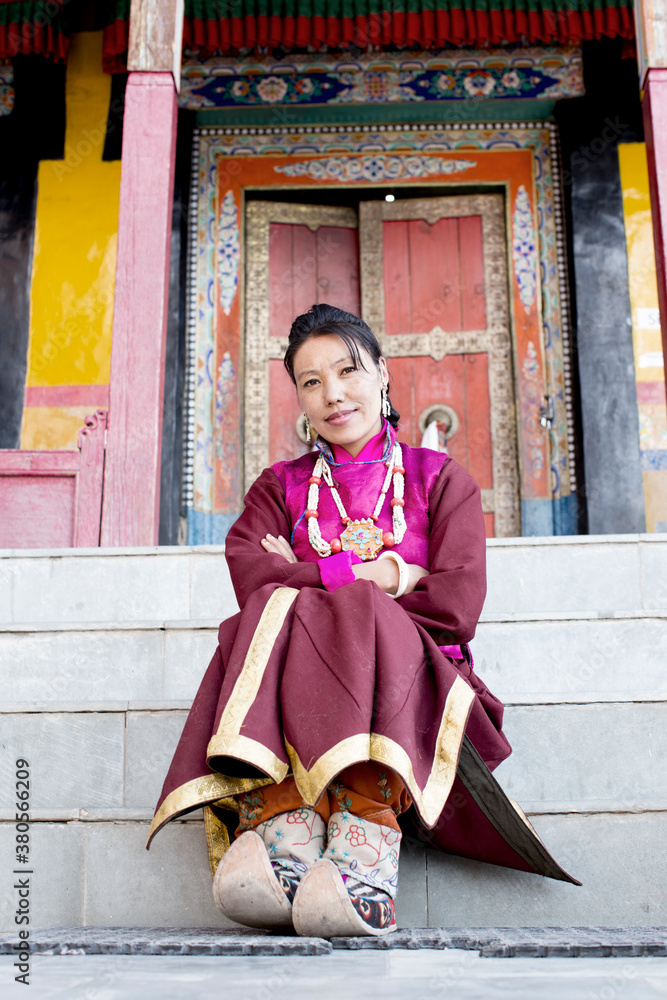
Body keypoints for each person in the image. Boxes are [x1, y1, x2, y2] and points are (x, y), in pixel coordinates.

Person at [147, 304, 578, 938]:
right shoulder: (279, 487)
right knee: (270, 614)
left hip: (413, 682)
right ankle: (286, 825)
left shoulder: (441, 480)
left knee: (341, 611)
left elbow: (455, 607)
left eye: (347, 371)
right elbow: (250, 576)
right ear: (297, 395)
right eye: (311, 381)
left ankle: (365, 832)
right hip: (304, 673)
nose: (333, 394)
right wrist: (379, 574)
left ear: (381, 373)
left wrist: (319, 575)